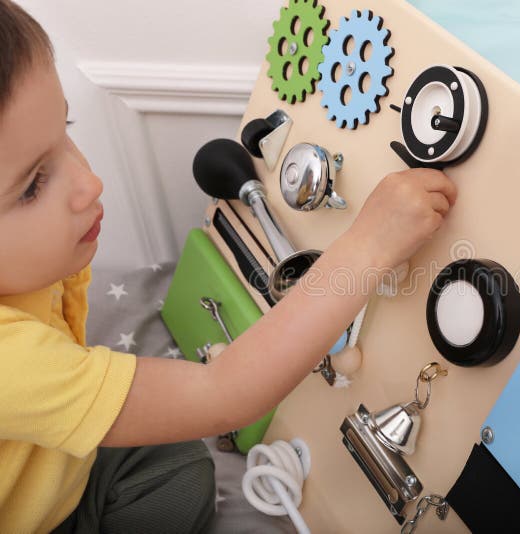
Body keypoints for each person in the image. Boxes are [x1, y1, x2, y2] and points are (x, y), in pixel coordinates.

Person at [0, 1, 458, 532]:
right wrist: (368, 248)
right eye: (32, 185)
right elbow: (222, 394)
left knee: (183, 468)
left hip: (53, 469)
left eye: (66, 127)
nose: (89, 183)